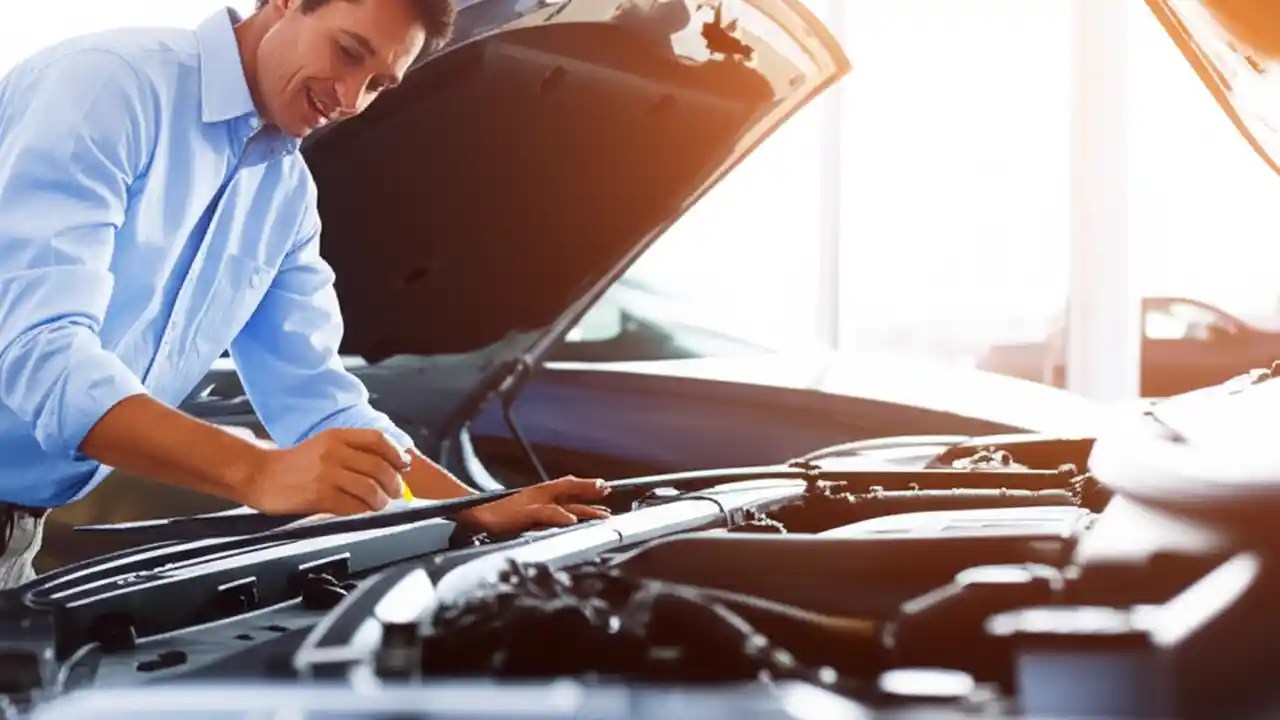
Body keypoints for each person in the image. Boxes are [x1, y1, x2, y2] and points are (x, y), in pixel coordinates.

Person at [0, 0, 611, 588]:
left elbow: (319, 404)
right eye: (348, 52)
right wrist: (256, 471)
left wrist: (470, 509)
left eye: (378, 85)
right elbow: (40, 356)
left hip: (18, 529)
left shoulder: (285, 198)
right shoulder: (109, 87)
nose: (349, 100)